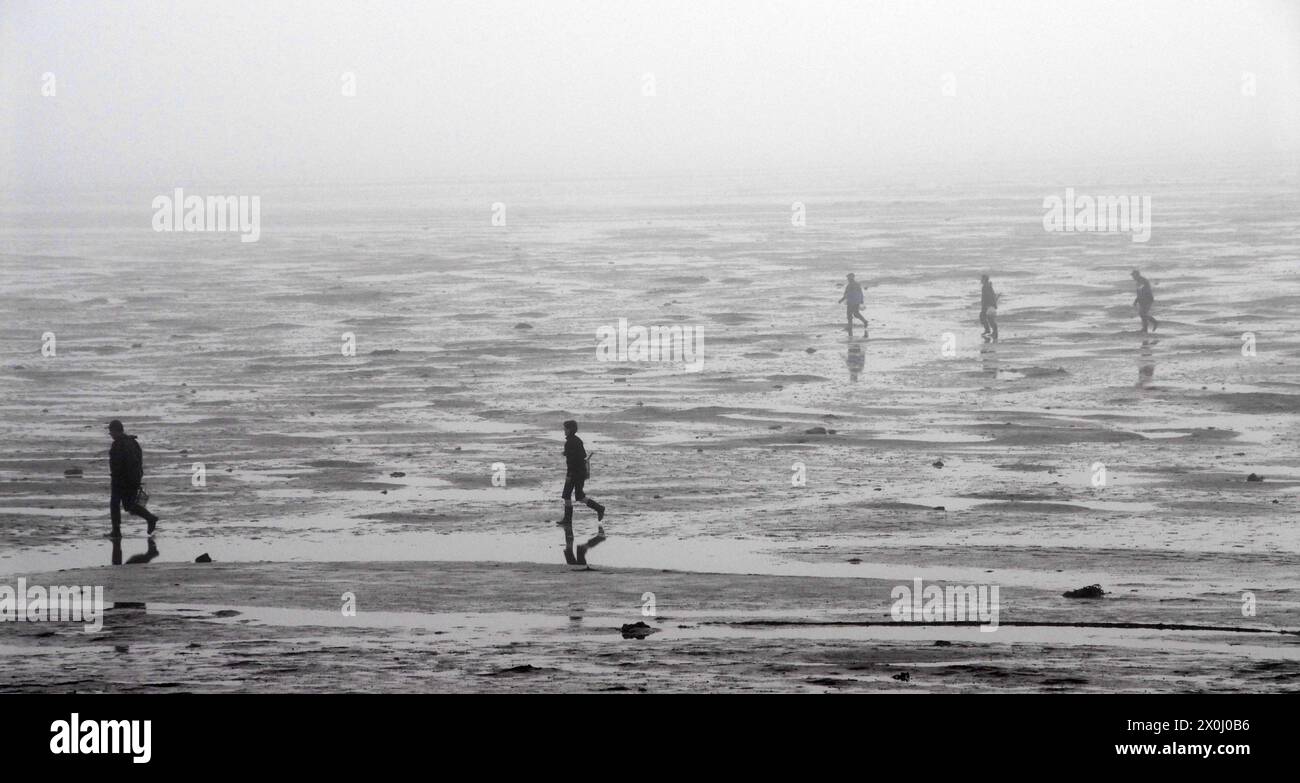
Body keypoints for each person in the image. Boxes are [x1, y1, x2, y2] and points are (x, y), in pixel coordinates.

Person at [107, 419, 159, 538]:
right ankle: (150, 518)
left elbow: (118, 464)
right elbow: (138, 461)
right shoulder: (132, 442)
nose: (111, 435)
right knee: (129, 505)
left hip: (121, 480)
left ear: (115, 431)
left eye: (111, 432)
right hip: (133, 479)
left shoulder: (119, 444)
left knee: (115, 504)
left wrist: (116, 477)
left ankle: (117, 531)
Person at [560, 420, 605, 528]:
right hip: (581, 472)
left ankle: (567, 520)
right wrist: (567, 453)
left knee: (566, 495)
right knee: (579, 496)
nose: (564, 430)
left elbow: (571, 461)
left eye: (565, 428)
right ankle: (599, 508)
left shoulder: (569, 442)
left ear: (569, 429)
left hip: (574, 473)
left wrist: (569, 475)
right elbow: (582, 455)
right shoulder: (577, 440)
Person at [837, 273, 869, 337]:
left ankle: (850, 327)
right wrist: (861, 300)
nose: (848, 279)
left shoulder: (849, 285)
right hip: (856, 301)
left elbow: (846, 294)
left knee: (849, 315)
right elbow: (860, 293)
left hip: (851, 301)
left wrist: (841, 300)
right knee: (856, 313)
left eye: (848, 278)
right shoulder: (857, 284)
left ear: (850, 278)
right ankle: (864, 321)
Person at [979, 275, 999, 340]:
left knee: (988, 318)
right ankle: (991, 331)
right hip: (988, 305)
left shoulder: (986, 287)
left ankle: (992, 331)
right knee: (986, 318)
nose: (980, 280)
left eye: (981, 279)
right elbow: (992, 295)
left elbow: (988, 297)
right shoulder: (988, 286)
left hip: (988, 305)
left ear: (984, 279)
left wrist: (987, 305)